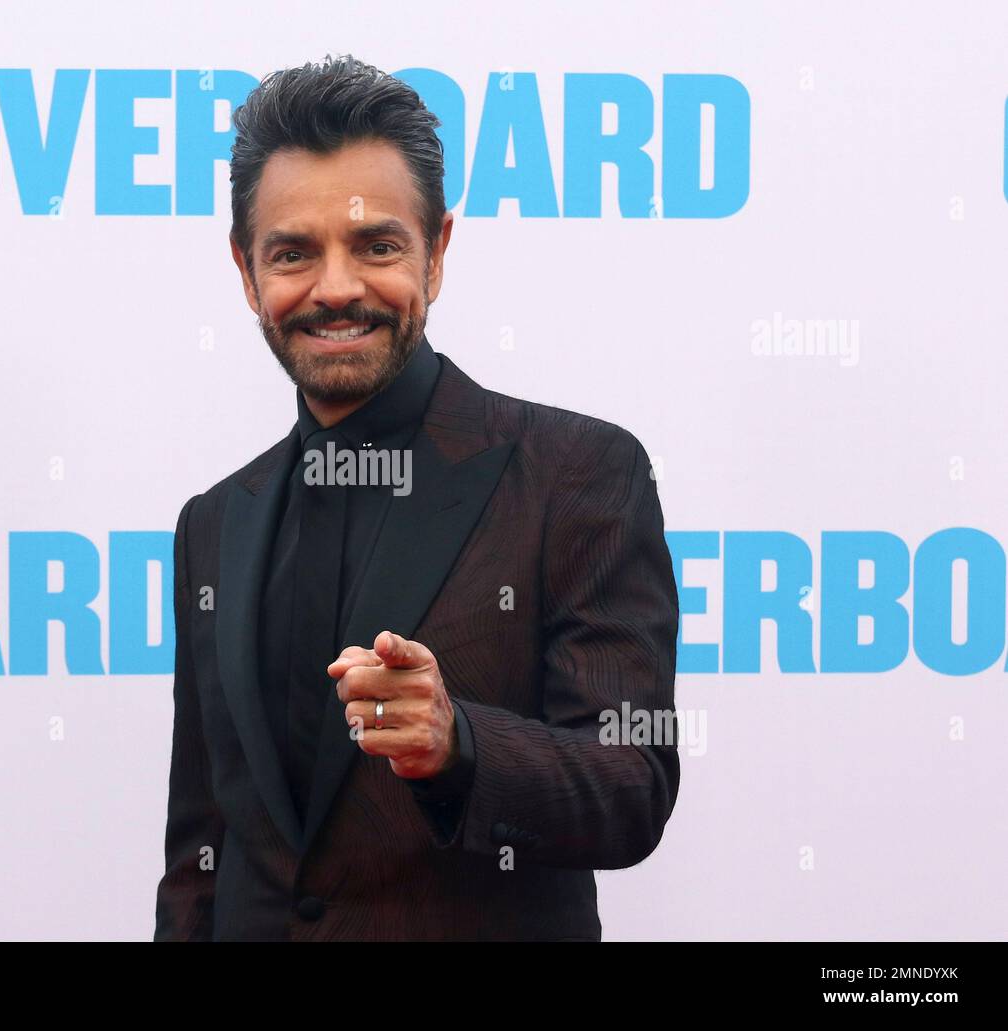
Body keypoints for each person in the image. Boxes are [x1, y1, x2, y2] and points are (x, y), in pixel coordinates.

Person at [154, 54, 680, 941]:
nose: (336, 288)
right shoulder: (214, 522)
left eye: (376, 245)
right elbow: (201, 849)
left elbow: (633, 783)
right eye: (293, 253)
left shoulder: (577, 473)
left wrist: (458, 741)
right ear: (247, 274)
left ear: (436, 252)